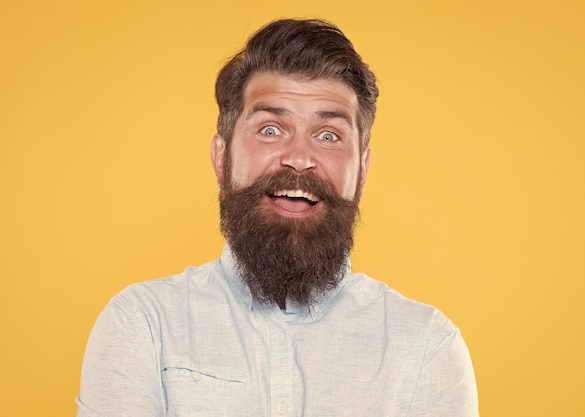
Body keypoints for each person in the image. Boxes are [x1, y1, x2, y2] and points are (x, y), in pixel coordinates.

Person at [76, 18, 479, 417]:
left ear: (363, 171)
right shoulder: (143, 325)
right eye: (270, 129)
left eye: (328, 136)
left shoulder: (427, 346)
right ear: (222, 158)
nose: (300, 158)